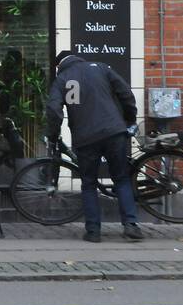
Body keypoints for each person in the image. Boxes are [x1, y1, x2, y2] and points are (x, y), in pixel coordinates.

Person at [45, 50, 143, 243]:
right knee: (122, 178)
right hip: (114, 133)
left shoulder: (61, 79)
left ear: (59, 66)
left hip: (85, 138)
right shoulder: (101, 68)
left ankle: (93, 231)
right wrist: (129, 119)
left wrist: (54, 135)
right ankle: (131, 225)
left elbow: (53, 110)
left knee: (89, 184)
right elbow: (126, 94)